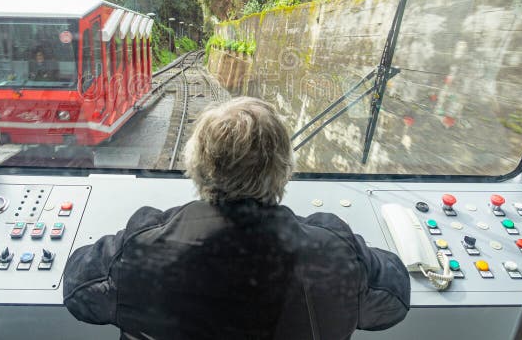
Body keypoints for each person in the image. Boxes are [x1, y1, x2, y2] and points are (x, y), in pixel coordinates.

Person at [63, 97, 410, 339]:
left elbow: (79, 292)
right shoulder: (334, 251)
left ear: (196, 166)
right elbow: (393, 301)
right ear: (283, 169)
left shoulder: (143, 245)